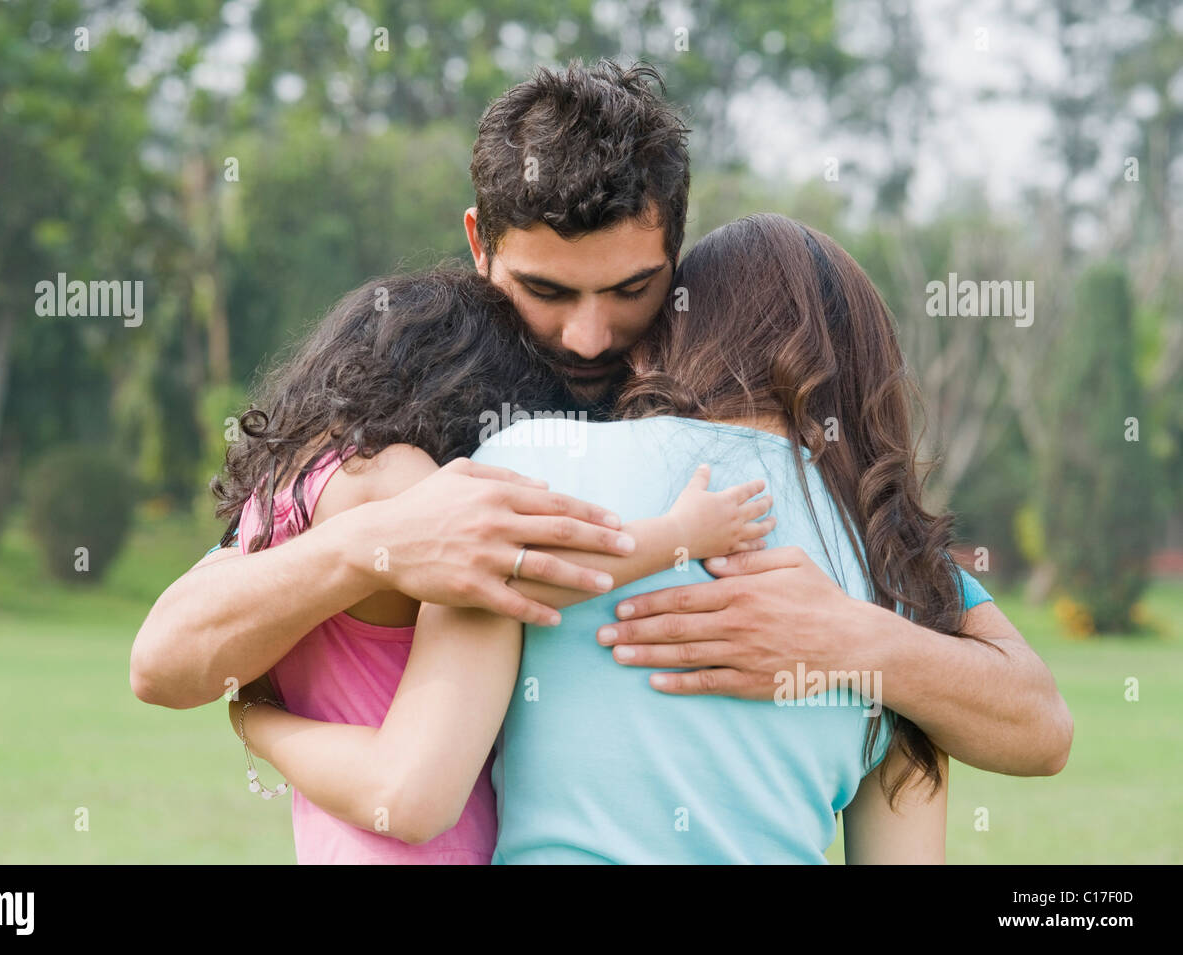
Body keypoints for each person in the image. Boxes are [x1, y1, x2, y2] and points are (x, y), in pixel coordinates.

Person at [131, 59, 1072, 788]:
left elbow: (1037, 723)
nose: (588, 335)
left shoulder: (726, 422)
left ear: (678, 249)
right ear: (477, 242)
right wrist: (381, 541)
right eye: (545, 290)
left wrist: (848, 641)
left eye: (632, 289)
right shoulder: (421, 392)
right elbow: (165, 659)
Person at [232, 214, 992, 863]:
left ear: (681, 325)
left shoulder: (523, 470)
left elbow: (411, 786)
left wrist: (258, 721)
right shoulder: (900, 575)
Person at [217, 266, 770, 862]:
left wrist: (256, 718)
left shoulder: (271, 509)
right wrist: (679, 534)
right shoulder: (403, 480)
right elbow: (518, 571)